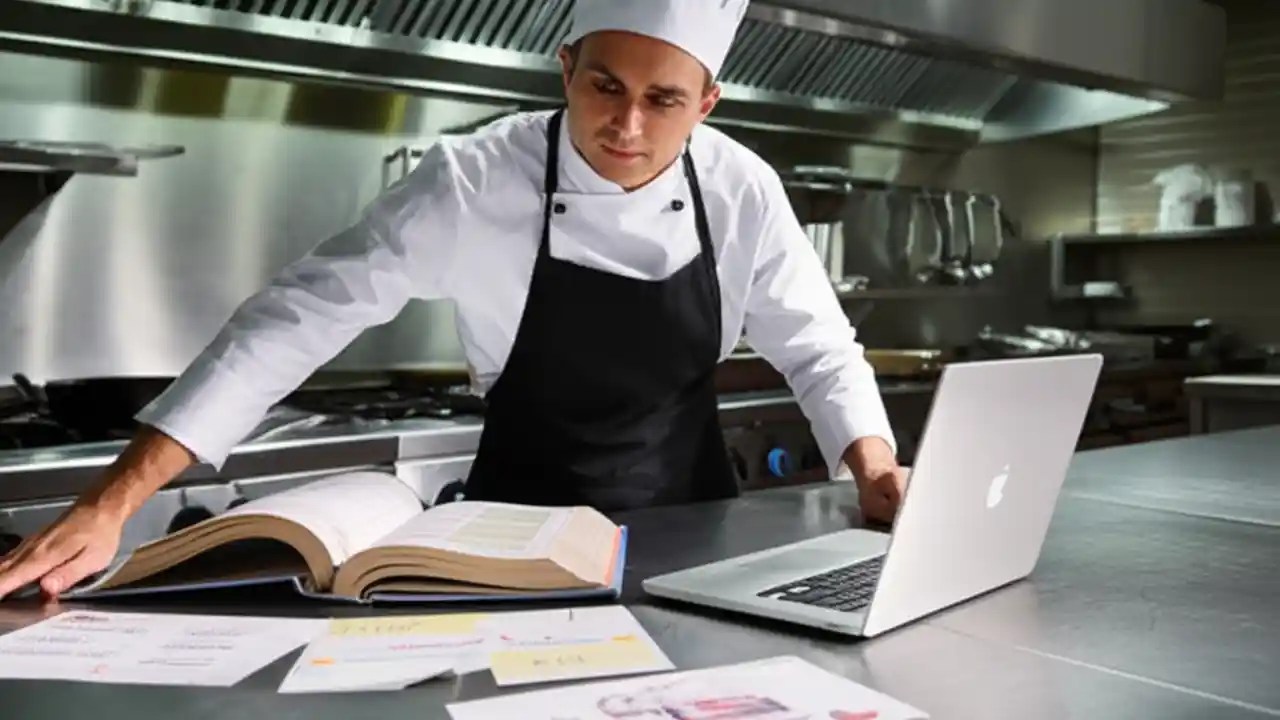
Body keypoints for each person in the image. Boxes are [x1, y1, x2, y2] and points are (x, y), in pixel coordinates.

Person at [0, 0, 907, 601]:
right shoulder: (472, 179)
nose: (626, 126)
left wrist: (872, 472)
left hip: (696, 539)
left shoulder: (742, 188)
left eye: (662, 101)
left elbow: (820, 347)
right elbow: (296, 317)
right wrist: (113, 502)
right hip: (502, 549)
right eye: (604, 87)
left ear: (705, 103)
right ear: (565, 67)